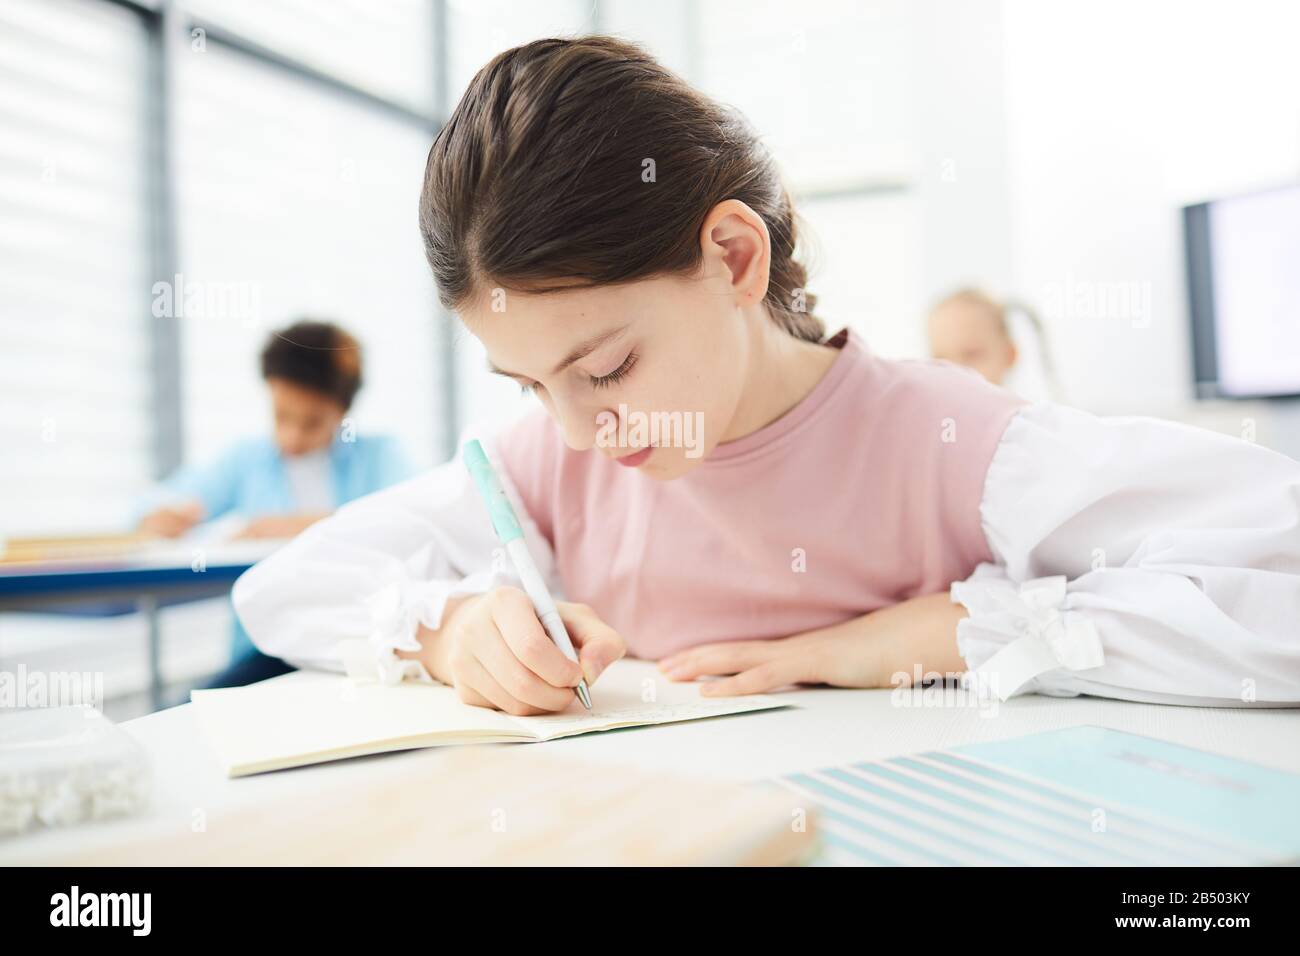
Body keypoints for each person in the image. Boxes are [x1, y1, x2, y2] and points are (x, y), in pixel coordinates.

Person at [233, 37, 1299, 711]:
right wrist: (454, 626)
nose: (573, 429)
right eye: (527, 384)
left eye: (606, 365)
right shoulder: (548, 470)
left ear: (734, 257)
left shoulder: (947, 443)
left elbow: (1281, 588)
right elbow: (280, 588)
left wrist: (934, 636)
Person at [137, 320, 414, 687]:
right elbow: (153, 504)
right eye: (281, 415)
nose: (292, 436)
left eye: (312, 422)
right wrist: (163, 514)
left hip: (360, 640)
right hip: (269, 647)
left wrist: (294, 526)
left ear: (343, 412)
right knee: (203, 708)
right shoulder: (248, 460)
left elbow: (407, 520)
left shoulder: (381, 456)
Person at [927, 287, 1058, 399]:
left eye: (972, 354)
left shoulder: (1025, 425)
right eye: (940, 360)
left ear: (1009, 355)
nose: (955, 372)